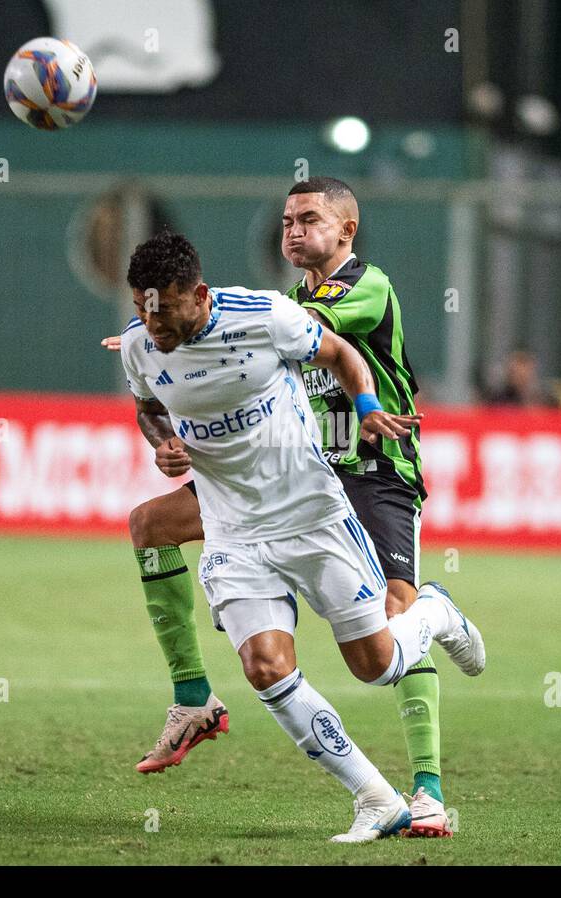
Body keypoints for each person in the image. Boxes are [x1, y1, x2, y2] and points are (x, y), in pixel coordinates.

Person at [105, 178, 484, 838]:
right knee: (151, 526)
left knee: (387, 632)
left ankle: (426, 782)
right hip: (264, 485)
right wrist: (157, 342)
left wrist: (168, 326)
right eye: (286, 220)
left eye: (309, 219)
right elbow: (177, 377)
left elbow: (314, 336)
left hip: (369, 469)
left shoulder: (357, 288)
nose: (292, 230)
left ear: (346, 231)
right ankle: (194, 695)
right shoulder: (254, 310)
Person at [487, 350, 558, 408]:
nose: (519, 379)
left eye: (523, 375)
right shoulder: (498, 400)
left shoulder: (546, 400)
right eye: (514, 373)